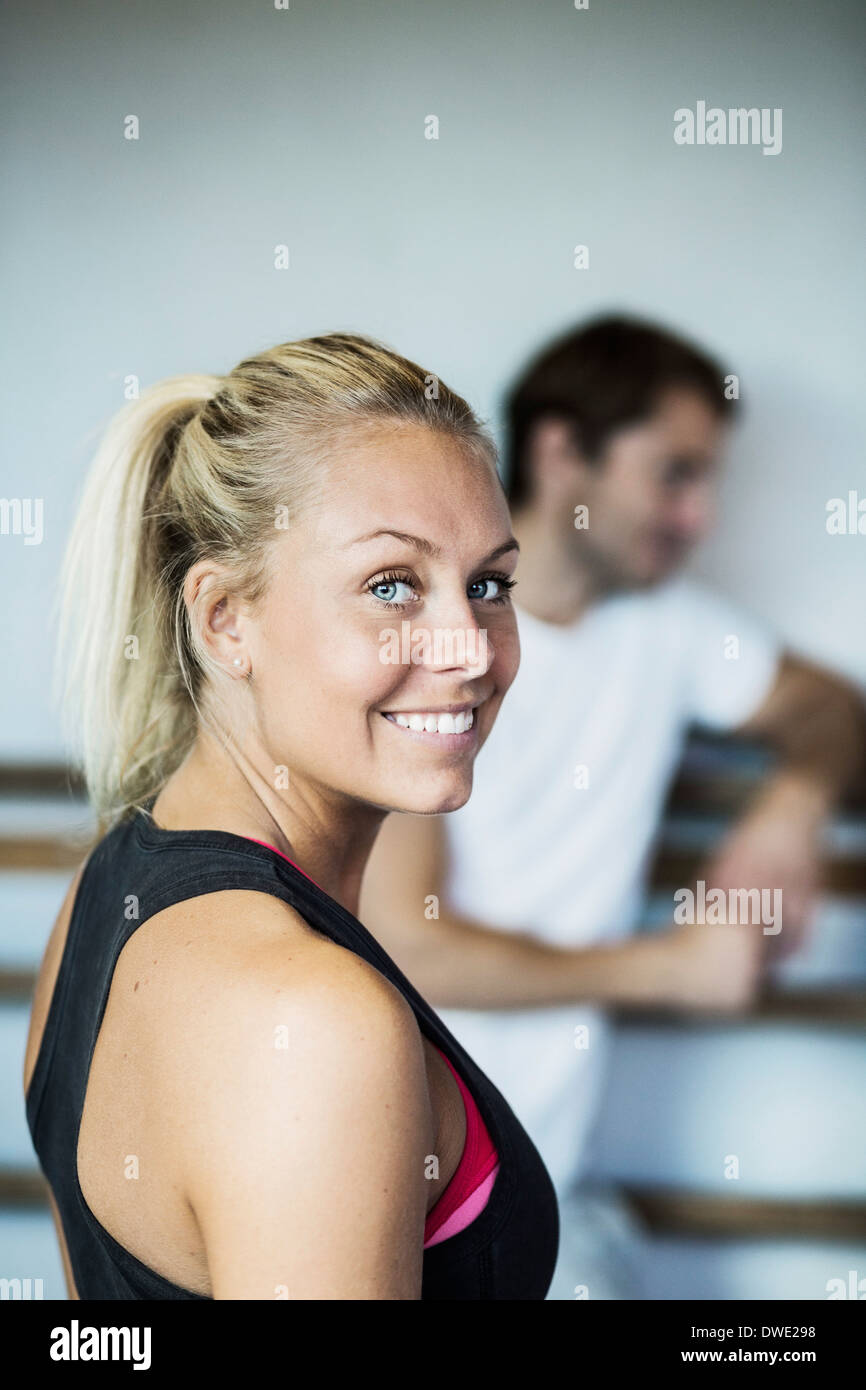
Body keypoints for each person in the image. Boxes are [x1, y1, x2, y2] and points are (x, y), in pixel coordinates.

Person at [22, 331, 560, 1300]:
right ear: (225, 618)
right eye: (391, 584)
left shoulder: (107, 887)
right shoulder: (312, 1023)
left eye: (487, 583)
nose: (470, 649)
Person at [359, 315, 866, 1300]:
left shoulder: (666, 631)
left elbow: (829, 705)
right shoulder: (434, 643)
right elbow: (405, 943)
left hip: (547, 1189)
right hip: (403, 1204)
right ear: (560, 452)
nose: (698, 515)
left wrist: (785, 812)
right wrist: (668, 968)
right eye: (673, 473)